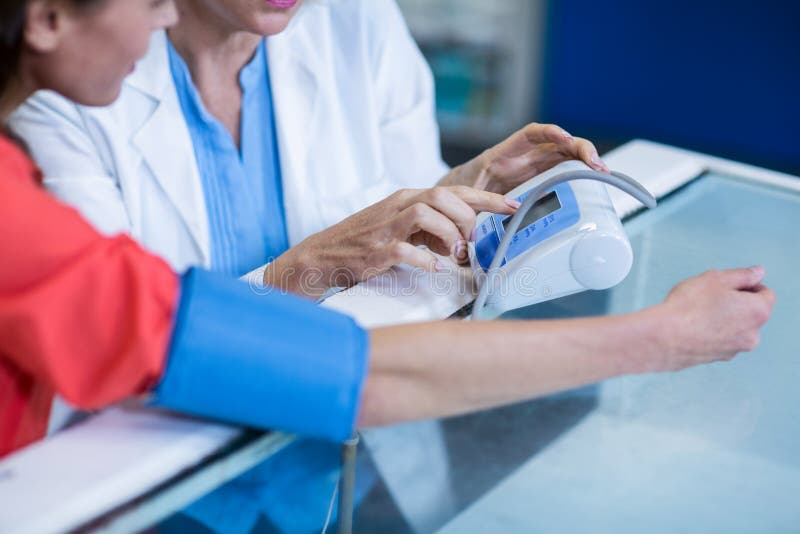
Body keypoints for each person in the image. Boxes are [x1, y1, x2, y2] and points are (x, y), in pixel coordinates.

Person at [0, 0, 775, 531]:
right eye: (148, 0)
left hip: (344, 479)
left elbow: (390, 267)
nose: (165, 9)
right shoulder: (27, 202)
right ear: (48, 19)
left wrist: (453, 198)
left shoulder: (348, 22)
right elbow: (352, 373)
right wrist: (661, 338)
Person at [10, 0, 609, 298]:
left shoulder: (356, 20)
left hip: (356, 446)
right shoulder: (72, 79)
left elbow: (407, 238)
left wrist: (468, 186)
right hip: (173, 469)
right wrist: (302, 271)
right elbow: (116, 338)